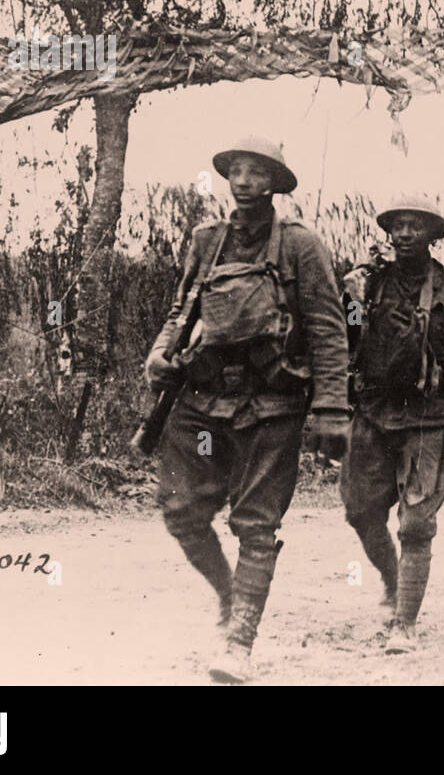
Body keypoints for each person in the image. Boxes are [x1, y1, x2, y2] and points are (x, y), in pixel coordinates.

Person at [146, 136, 350, 683]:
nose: (243, 180)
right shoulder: (206, 240)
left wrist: (331, 407)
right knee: (181, 510)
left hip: (273, 401)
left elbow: (329, 329)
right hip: (202, 397)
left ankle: (238, 642)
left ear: (275, 183)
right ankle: (231, 597)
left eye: (256, 172)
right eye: (236, 170)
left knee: (256, 524)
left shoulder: (301, 245)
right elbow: (182, 307)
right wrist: (160, 351)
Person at [340, 194, 444, 654]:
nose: (405, 233)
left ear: (434, 235)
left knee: (416, 521)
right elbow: (346, 339)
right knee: (359, 511)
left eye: (416, 225)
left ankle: (404, 624)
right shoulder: (369, 284)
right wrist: (351, 300)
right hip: (373, 412)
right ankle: (394, 582)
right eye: (397, 225)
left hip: (428, 417)